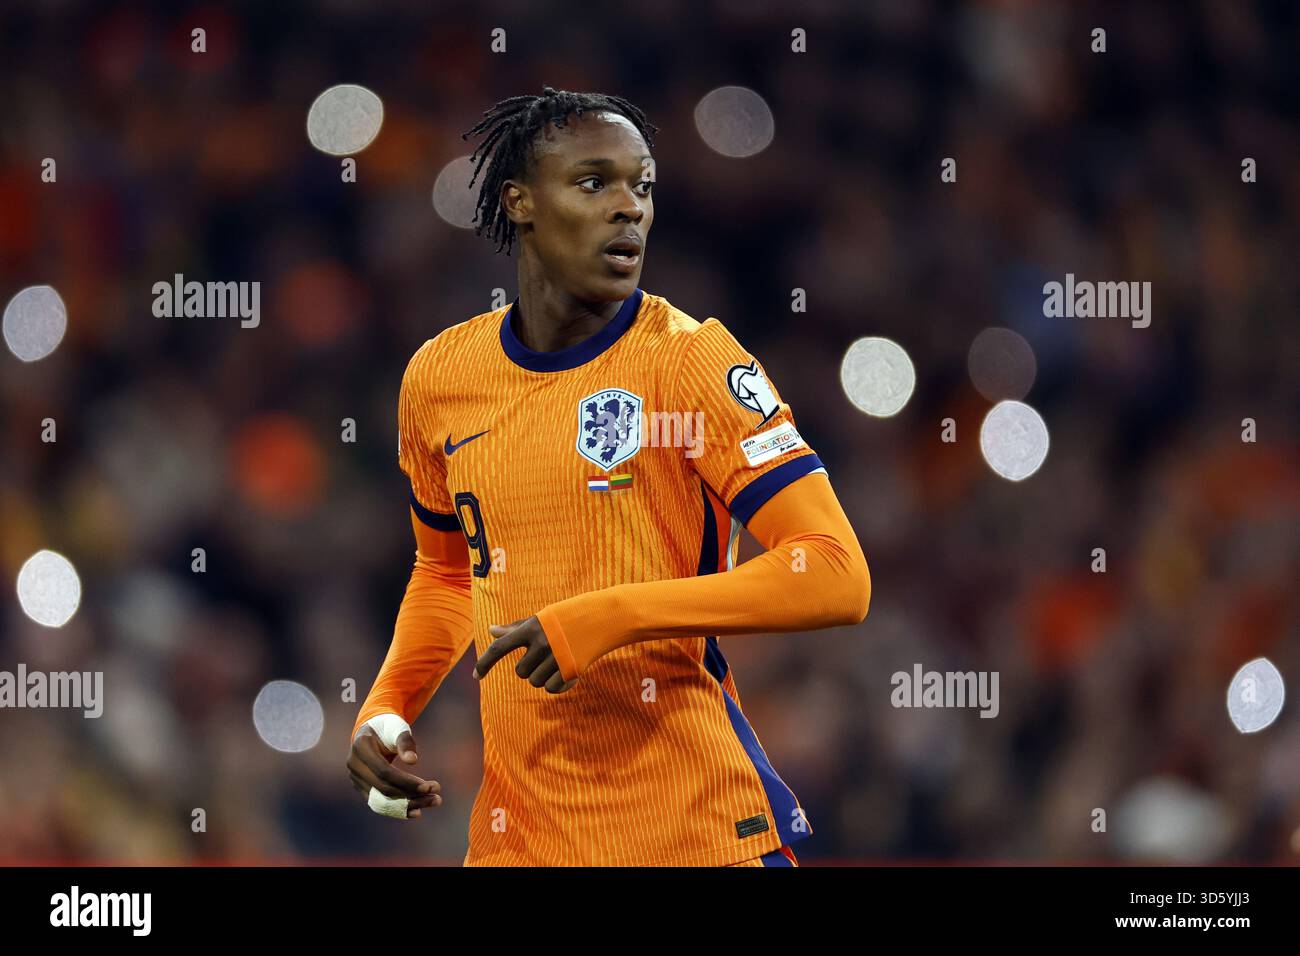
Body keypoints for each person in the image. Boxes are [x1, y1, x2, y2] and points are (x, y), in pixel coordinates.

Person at [346, 86, 870, 866]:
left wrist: (608, 616)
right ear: (519, 202)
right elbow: (448, 573)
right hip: (519, 844)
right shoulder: (439, 377)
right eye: (594, 183)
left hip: (694, 836)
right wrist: (387, 706)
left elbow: (835, 573)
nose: (629, 208)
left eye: (643, 186)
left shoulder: (691, 364)